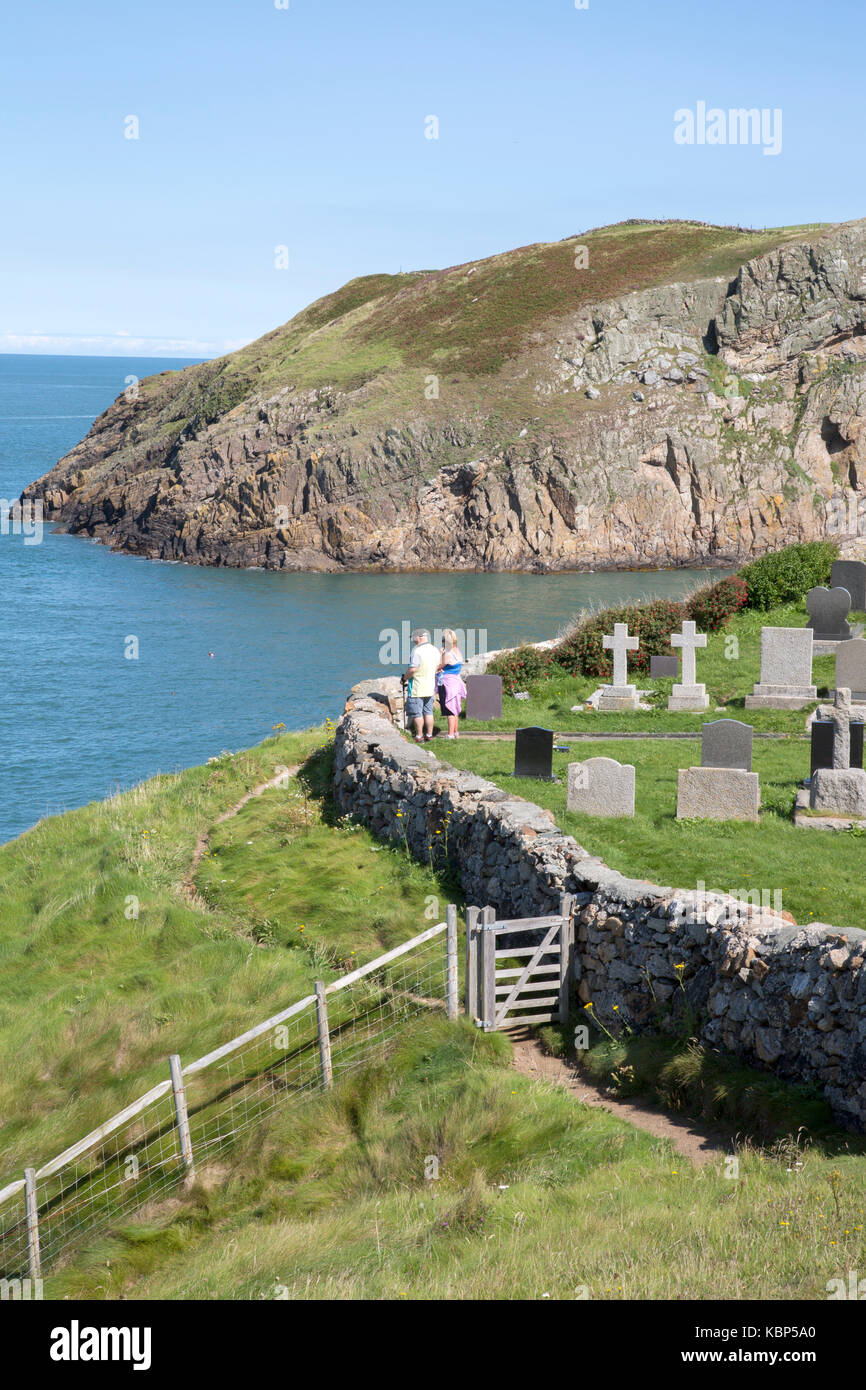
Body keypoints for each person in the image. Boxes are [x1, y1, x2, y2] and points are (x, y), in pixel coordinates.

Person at [403, 628, 440, 742]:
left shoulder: (417, 651)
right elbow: (437, 667)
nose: (413, 641)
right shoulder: (435, 650)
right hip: (430, 687)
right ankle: (429, 735)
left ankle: (419, 736)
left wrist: (404, 678)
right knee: (428, 712)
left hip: (417, 687)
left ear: (419, 638)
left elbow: (413, 669)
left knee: (417, 713)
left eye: (414, 639)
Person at [437, 628, 467, 739]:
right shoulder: (457, 651)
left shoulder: (448, 654)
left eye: (443, 640)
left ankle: (449, 735)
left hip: (448, 683)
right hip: (456, 682)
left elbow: (439, 666)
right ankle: (455, 732)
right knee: (455, 709)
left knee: (449, 709)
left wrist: (440, 654)